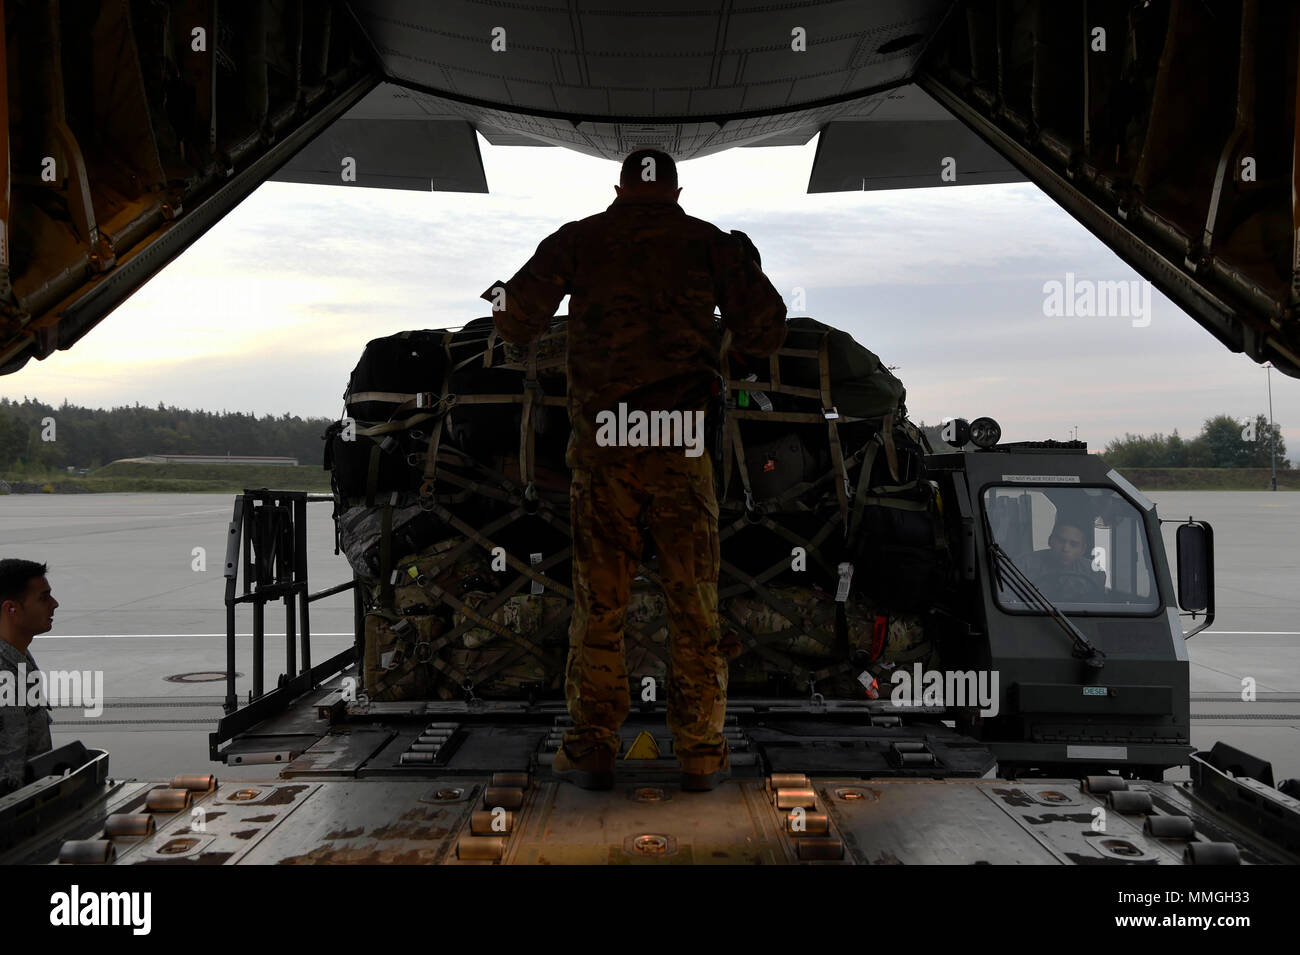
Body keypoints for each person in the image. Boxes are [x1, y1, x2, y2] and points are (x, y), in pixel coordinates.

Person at [483, 148, 787, 791]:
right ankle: (701, 754)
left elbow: (514, 321)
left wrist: (505, 299)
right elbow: (763, 329)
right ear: (677, 189)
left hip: (605, 452)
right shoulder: (709, 244)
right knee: (695, 606)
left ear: (618, 186)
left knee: (601, 607)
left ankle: (592, 749)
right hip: (679, 452)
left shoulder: (578, 240)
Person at [0, 559, 57, 795]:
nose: (55, 604)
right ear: (11, 609)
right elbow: (8, 780)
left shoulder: (19, 658)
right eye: (43, 598)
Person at [1019, 516, 1106, 599]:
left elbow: (1096, 605)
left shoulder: (1094, 573)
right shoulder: (1023, 566)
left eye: (1074, 544)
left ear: (1083, 549)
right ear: (1050, 541)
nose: (1066, 549)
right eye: (1060, 541)